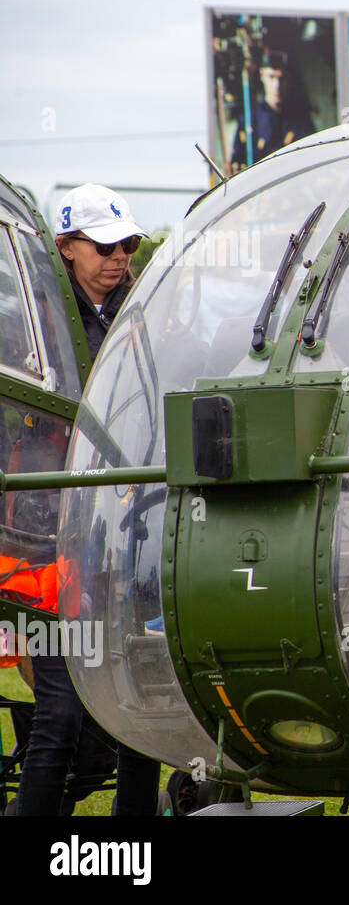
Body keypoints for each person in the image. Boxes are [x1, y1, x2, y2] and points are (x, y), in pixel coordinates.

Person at [13, 183, 162, 816]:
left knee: (143, 706)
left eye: (128, 244)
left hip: (123, 538)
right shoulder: (32, 324)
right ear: (67, 247)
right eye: (104, 246)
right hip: (44, 542)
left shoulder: (142, 311)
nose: (119, 257)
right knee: (61, 714)